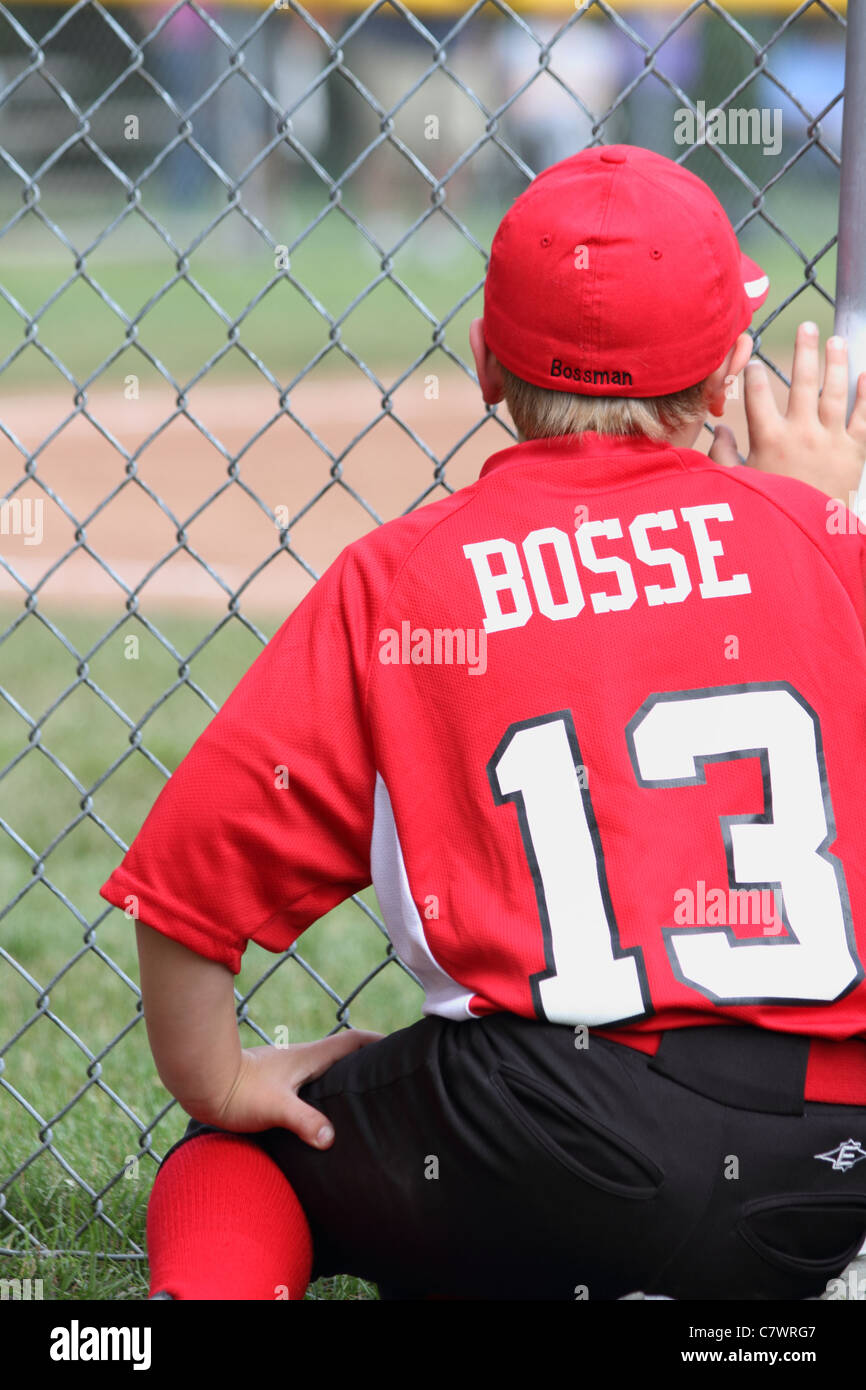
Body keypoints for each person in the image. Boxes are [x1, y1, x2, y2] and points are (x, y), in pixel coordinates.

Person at [100, 145, 866, 1302]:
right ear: (723, 386)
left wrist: (214, 1082)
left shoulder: (401, 579)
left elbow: (188, 882)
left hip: (546, 1120)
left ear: (484, 369)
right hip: (828, 1152)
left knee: (243, 1162)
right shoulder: (829, 544)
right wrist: (813, 512)